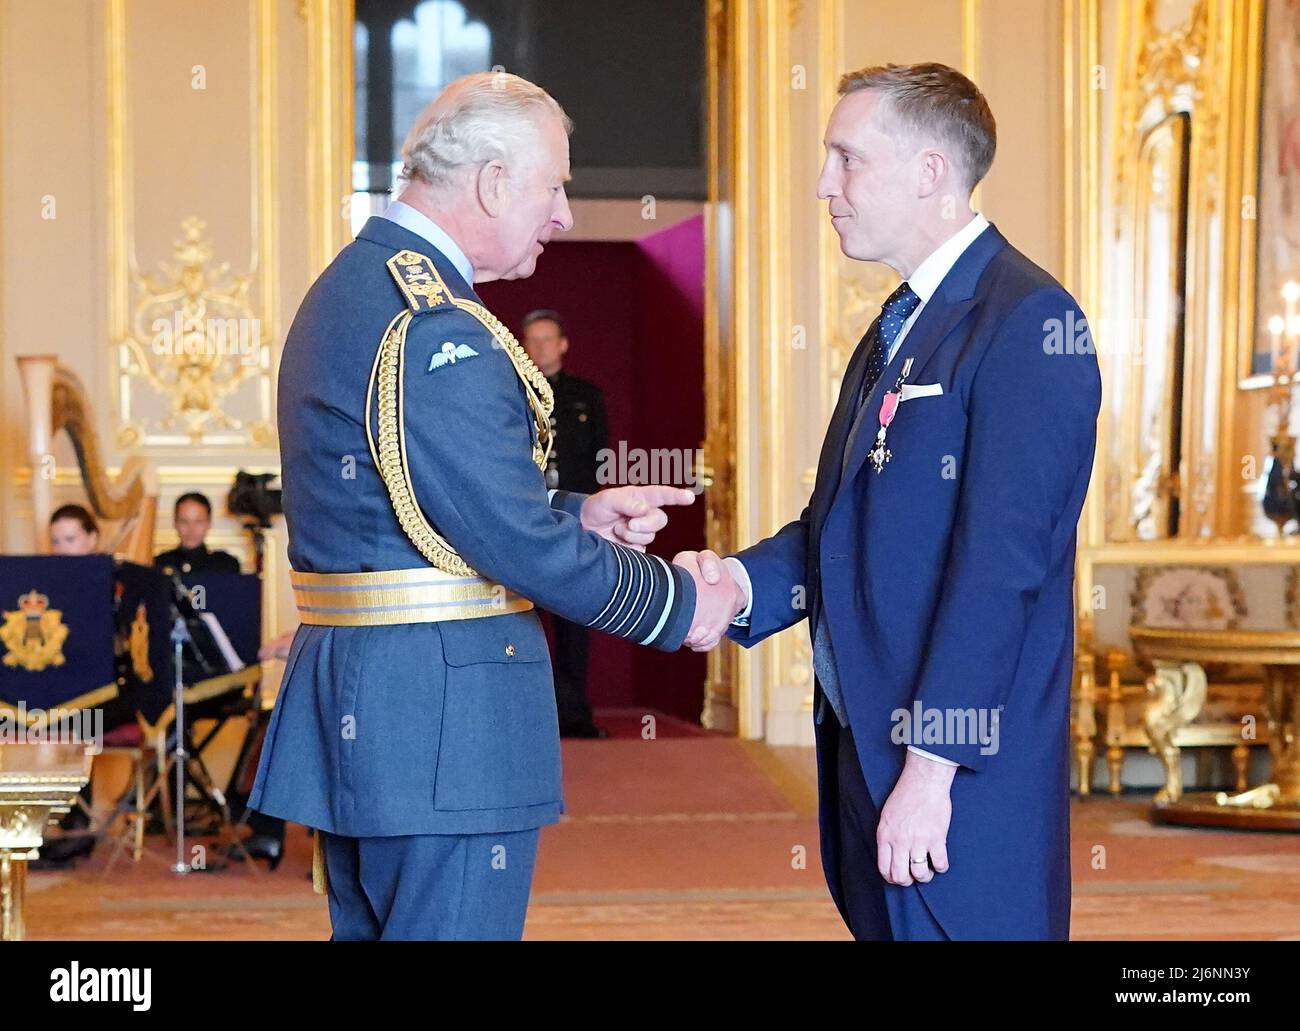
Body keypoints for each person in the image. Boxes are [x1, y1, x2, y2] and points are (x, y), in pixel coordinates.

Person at [248, 71, 737, 940]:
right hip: (444, 725)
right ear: (493, 180)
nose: (564, 215)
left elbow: (418, 489)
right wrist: (684, 604)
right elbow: (513, 541)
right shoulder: (438, 323)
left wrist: (571, 510)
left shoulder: (359, 287)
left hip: (372, 702)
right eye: (555, 186)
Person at [677, 62, 1101, 940]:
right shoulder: (895, 325)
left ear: (929, 172)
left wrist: (933, 769)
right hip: (871, 748)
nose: (824, 184)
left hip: (954, 778)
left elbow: (1001, 570)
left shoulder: (1028, 322)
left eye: (846, 158)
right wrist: (736, 590)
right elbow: (837, 527)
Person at [521, 309, 609, 738]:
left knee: (576, 621)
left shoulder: (586, 396)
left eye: (546, 339)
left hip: (575, 521)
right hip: (525, 520)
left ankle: (575, 716)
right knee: (525, 620)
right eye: (531, 340)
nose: (538, 348)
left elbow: (599, 458)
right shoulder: (512, 393)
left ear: (562, 344)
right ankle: (532, 721)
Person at [153, 492, 241, 576]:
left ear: (209, 523)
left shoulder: (225, 565)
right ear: (175, 523)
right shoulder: (159, 564)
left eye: (198, 522)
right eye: (184, 522)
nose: (191, 529)